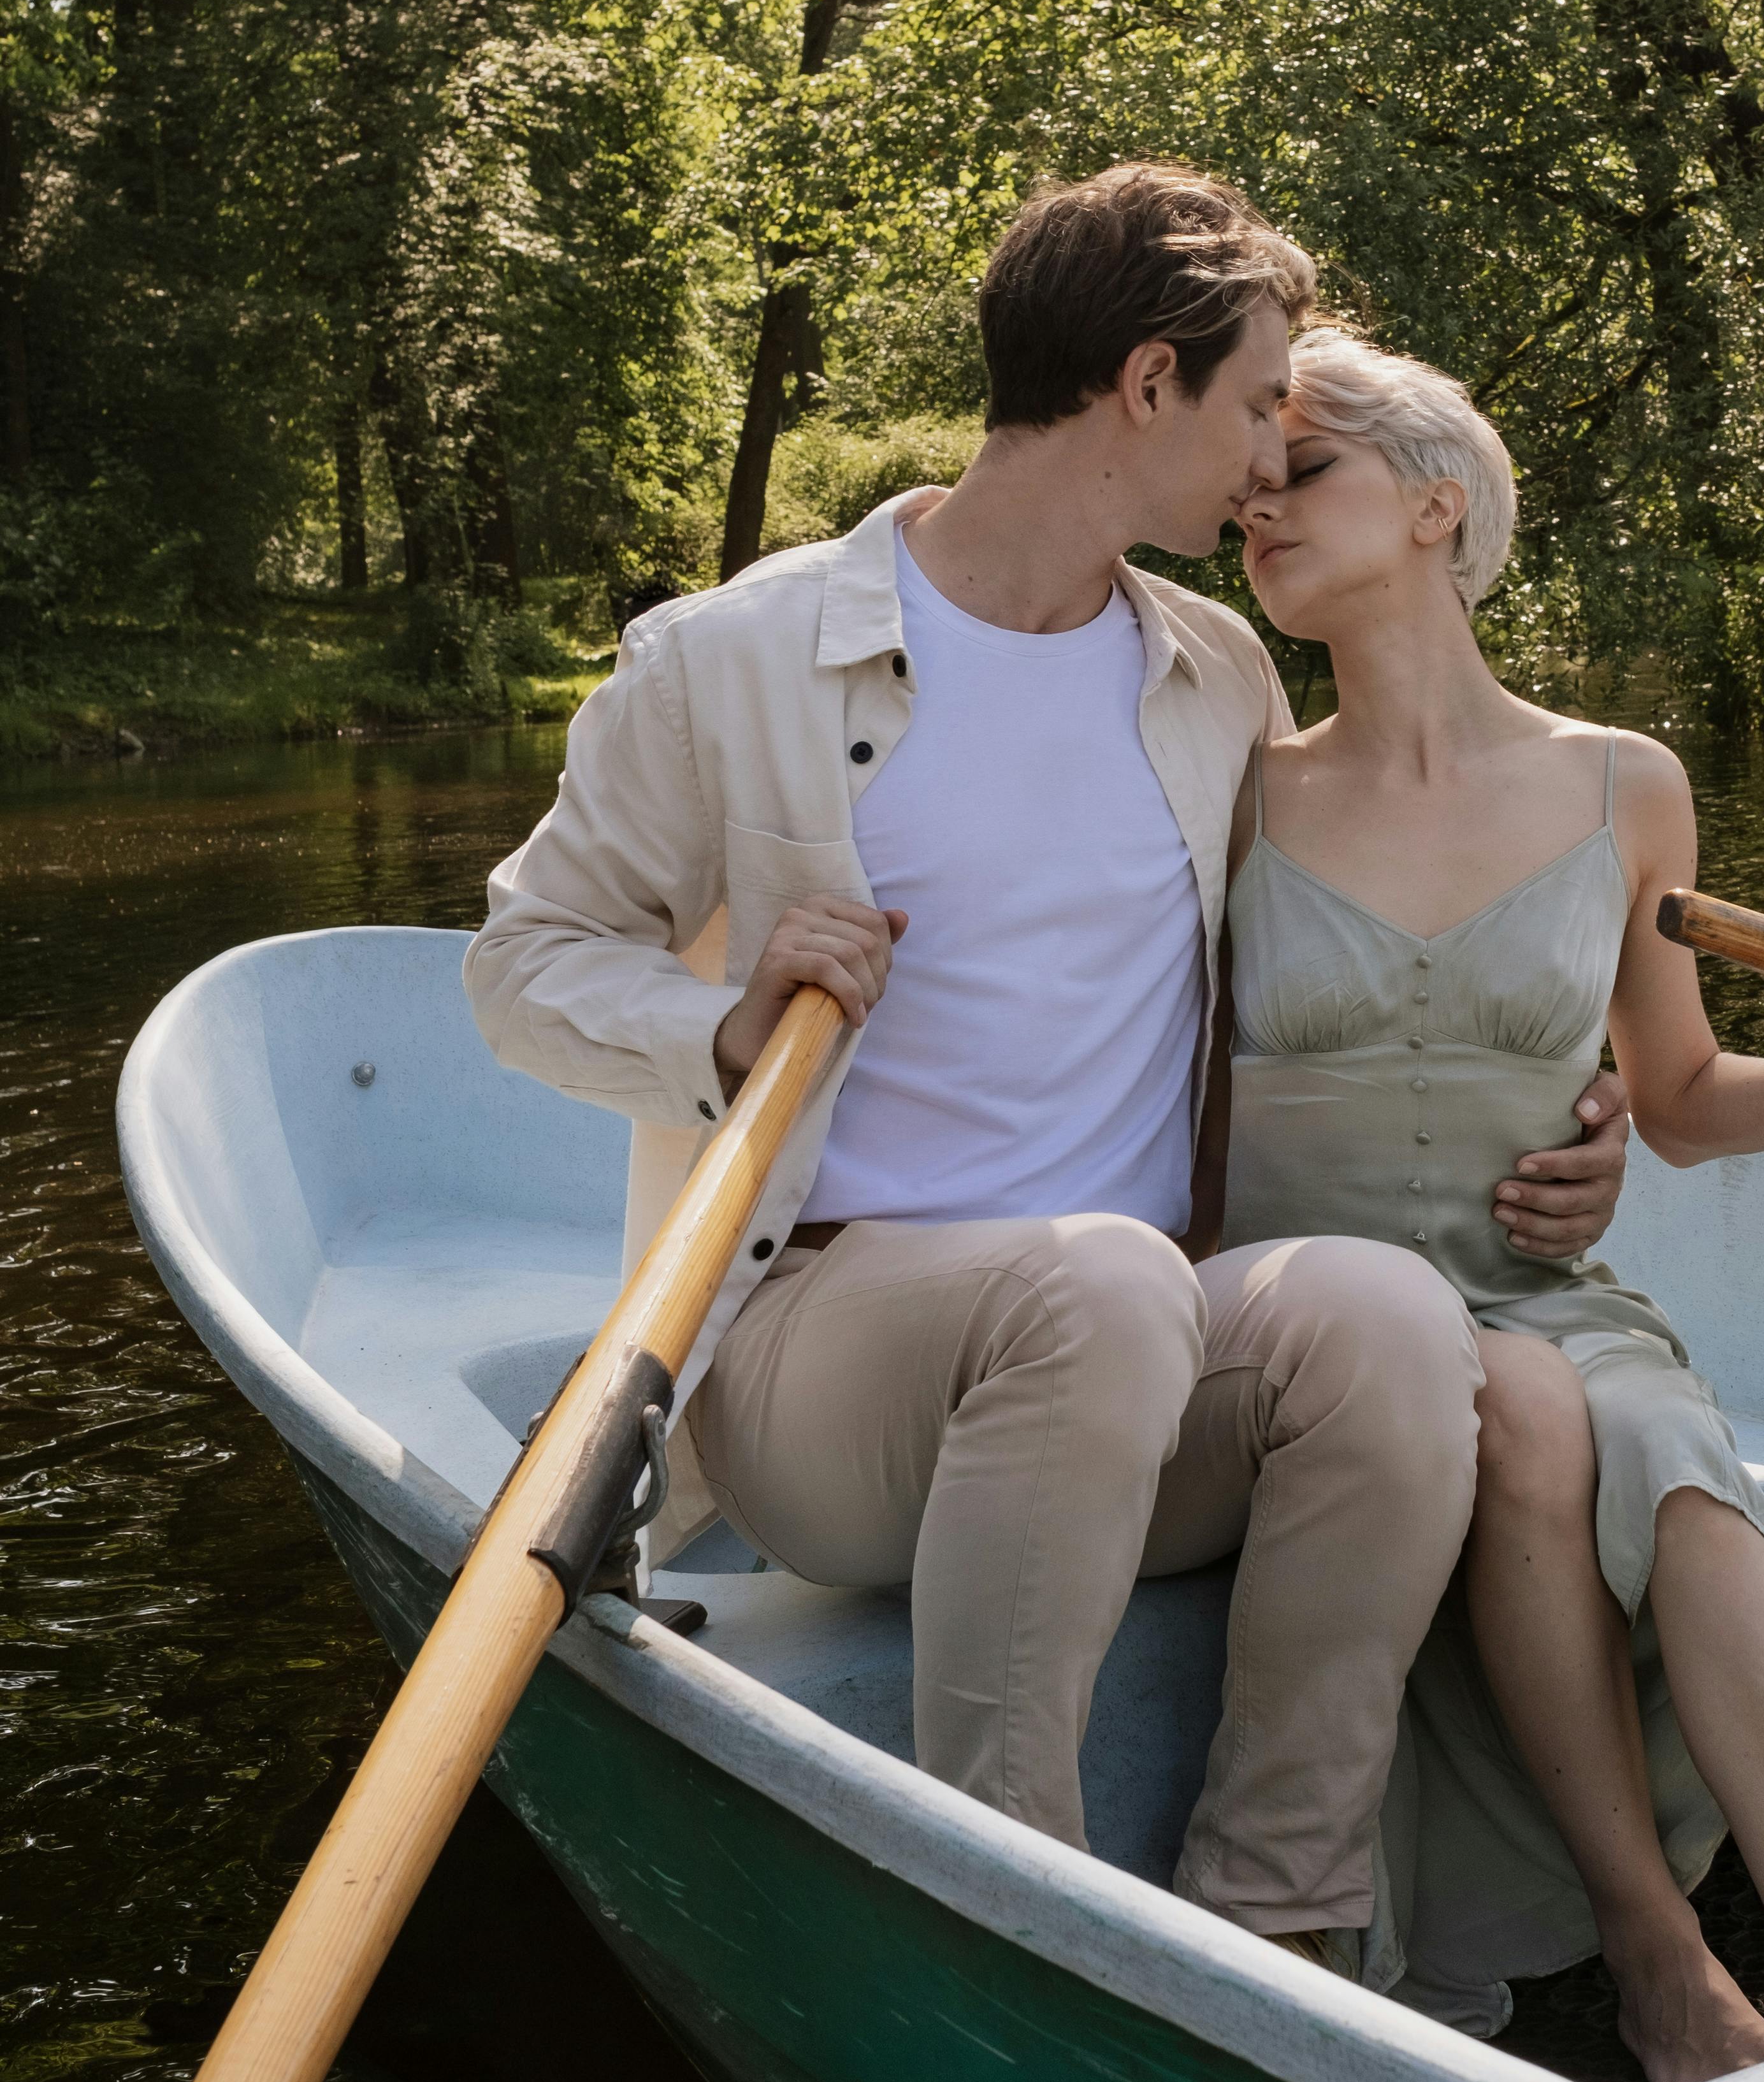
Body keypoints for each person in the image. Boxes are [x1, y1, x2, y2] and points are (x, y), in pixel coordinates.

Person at [464, 166, 1631, 1967]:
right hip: (821, 1371)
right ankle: (1015, 1913)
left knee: (1394, 1320)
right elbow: (525, 967)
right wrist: (718, 1019)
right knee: (1093, 1291)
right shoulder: (736, 656)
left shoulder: (1216, 678)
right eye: (1257, 406)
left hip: (1136, 1366)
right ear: (1146, 385)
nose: (1268, 464)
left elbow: (1326, 985)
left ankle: (1287, 1934)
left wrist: (1569, 1106)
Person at [1217, 326, 1764, 2082]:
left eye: (1300, 472)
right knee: (1533, 1409)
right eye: (1244, 492)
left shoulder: (1625, 786)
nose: (1255, 512)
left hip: (1543, 1291)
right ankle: (1665, 1967)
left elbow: (1690, 1104)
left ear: (1434, 502)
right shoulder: (1235, 787)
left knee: (1682, 1470)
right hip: (1319, 1334)